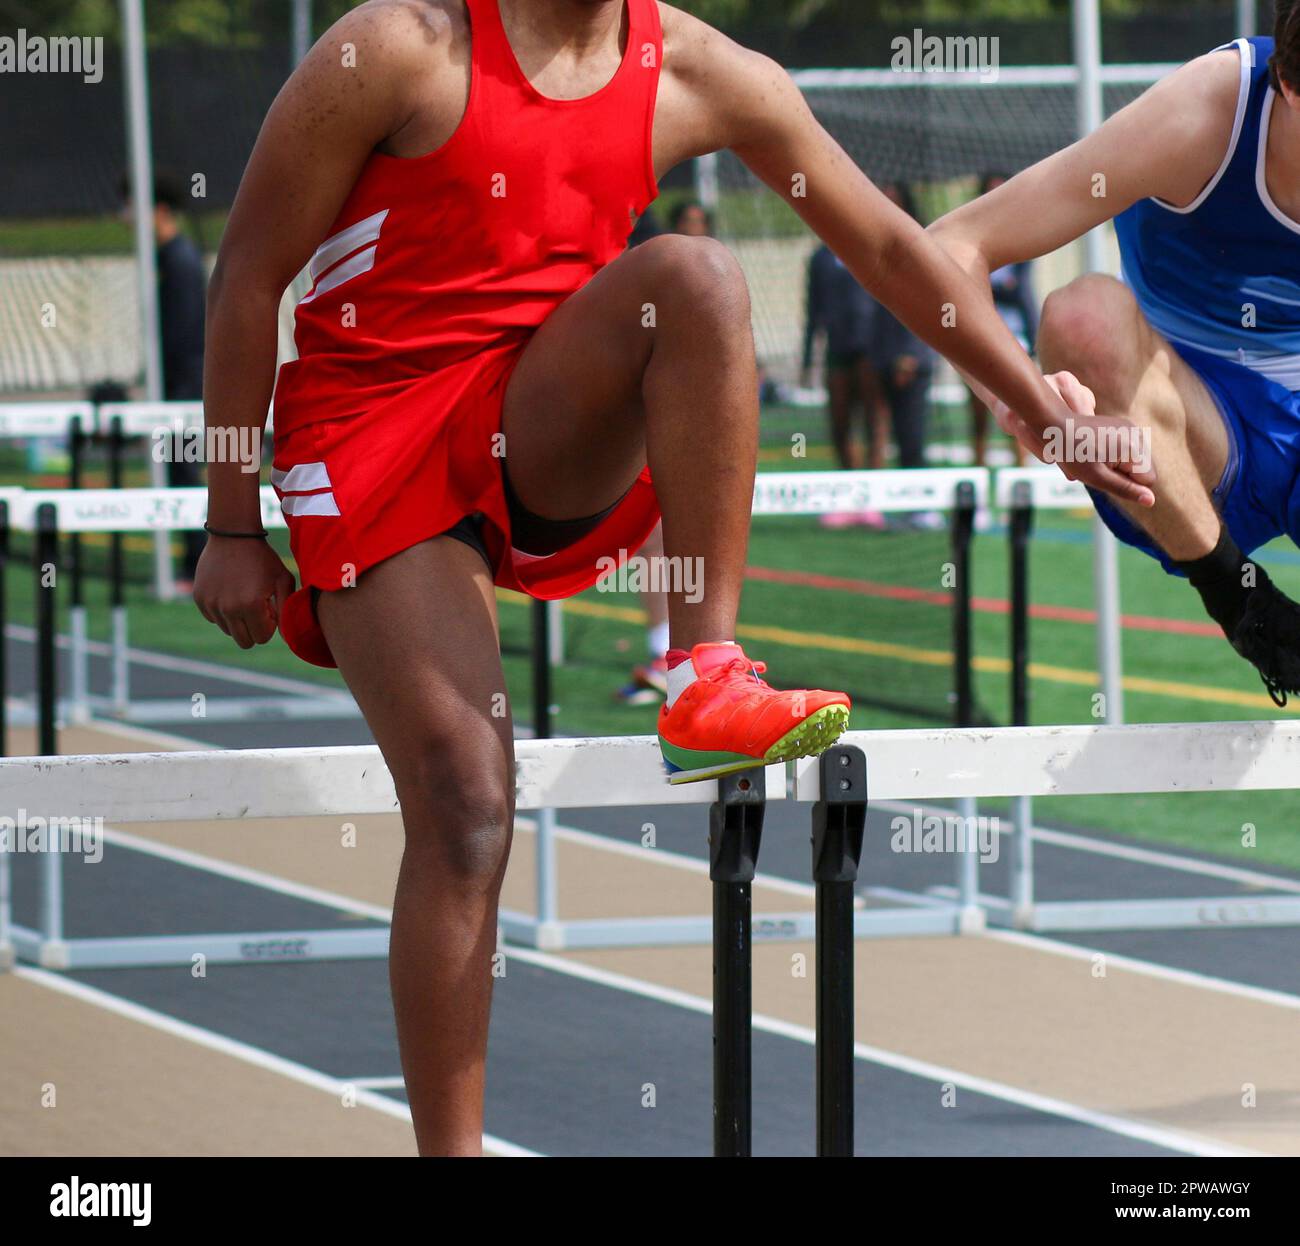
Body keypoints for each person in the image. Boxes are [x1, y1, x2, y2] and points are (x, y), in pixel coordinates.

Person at [196, 0, 1144, 1155]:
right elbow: (247, 277)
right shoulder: (399, 47)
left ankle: (702, 671)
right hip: (371, 432)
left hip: (540, 411)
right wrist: (232, 522)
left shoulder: (695, 68)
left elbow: (890, 245)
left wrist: (1036, 403)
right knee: (465, 798)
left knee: (694, 277)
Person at [929, 22, 1300, 705]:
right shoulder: (1202, 118)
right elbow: (949, 248)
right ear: (1286, 84)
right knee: (1083, 315)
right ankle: (1236, 600)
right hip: (1187, 430)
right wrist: (1015, 401)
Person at [135, 171, 208, 588]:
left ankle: (194, 567)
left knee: (184, 475)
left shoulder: (179, 260)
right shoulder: (169, 258)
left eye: (132, 205)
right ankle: (189, 565)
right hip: (176, 386)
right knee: (177, 472)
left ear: (159, 210)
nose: (124, 216)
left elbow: (183, 335)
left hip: (183, 389)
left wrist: (174, 392)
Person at [802, 241, 886, 527]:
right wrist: (807, 358)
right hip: (837, 349)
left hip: (872, 348)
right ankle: (850, 497)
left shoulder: (868, 247)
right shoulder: (820, 258)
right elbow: (813, 307)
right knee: (840, 423)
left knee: (874, 421)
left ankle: (871, 498)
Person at [964, 173, 1038, 468]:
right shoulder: (971, 239)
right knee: (980, 416)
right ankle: (978, 490)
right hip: (980, 337)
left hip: (1014, 337)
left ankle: (1021, 484)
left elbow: (1019, 291)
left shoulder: (1020, 238)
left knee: (1019, 417)